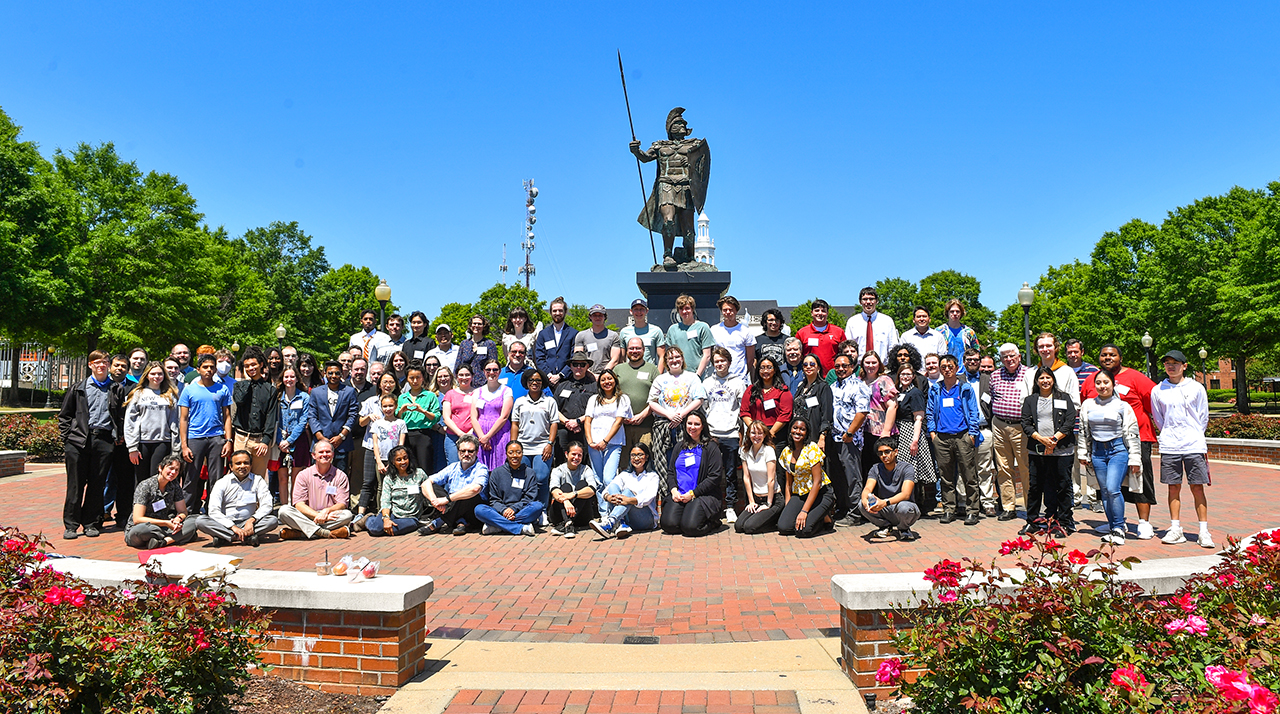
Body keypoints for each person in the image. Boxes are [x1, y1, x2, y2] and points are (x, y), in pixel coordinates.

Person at [1079, 344, 1158, 539]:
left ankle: (1143, 523)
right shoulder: (1092, 380)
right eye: (1104, 355)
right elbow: (1085, 410)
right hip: (1100, 443)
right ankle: (1114, 522)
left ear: (1120, 358)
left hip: (1136, 437)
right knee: (1107, 487)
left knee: (1139, 482)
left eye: (1112, 355)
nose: (1107, 358)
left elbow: (1153, 401)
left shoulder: (1135, 377)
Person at [59, 350, 128, 539]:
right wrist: (67, 438)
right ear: (90, 365)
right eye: (96, 362)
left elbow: (120, 416)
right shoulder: (78, 388)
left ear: (108, 365)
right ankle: (71, 525)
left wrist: (117, 436)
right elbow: (65, 415)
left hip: (104, 441)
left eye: (104, 362)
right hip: (79, 441)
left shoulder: (116, 389)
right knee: (75, 484)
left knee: (97, 484)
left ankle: (91, 523)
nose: (101, 365)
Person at [1151, 350, 1213, 548]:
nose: (1171, 366)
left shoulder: (1196, 388)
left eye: (1175, 363)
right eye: (1167, 363)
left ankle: (1203, 531)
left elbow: (1203, 416)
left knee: (1197, 486)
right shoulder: (1158, 390)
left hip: (1193, 444)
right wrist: (1169, 434)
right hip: (1170, 445)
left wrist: (1194, 434)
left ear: (1184, 366)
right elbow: (1159, 418)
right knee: (1173, 486)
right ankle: (1175, 528)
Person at [1077, 370, 1141, 545]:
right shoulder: (1088, 405)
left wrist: (1135, 457)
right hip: (1097, 452)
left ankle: (1119, 528)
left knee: (1113, 489)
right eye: (1098, 383)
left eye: (1106, 382)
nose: (1102, 386)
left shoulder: (1123, 406)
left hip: (1117, 450)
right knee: (1104, 491)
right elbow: (1083, 431)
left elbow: (1133, 433)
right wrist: (1083, 453)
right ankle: (1113, 527)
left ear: (1113, 384)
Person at [1019, 367, 1077, 536]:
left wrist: (1053, 440)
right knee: (1036, 486)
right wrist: (1042, 440)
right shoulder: (1031, 400)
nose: (1045, 381)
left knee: (1062, 485)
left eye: (1048, 378)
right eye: (1041, 378)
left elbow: (1069, 420)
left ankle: (1065, 522)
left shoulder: (1064, 397)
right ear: (1036, 381)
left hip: (1062, 450)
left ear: (1053, 379)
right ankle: (1033, 521)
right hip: (1037, 449)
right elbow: (1025, 423)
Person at [927, 355, 982, 526]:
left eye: (950, 366)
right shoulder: (935, 389)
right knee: (946, 477)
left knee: (969, 475)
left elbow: (974, 412)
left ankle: (972, 511)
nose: (947, 369)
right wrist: (932, 433)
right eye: (943, 366)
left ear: (957, 367)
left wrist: (972, 434)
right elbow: (930, 412)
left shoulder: (965, 388)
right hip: (941, 438)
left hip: (963, 436)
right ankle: (949, 509)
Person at [177, 354, 233, 514]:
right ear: (198, 369)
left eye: (211, 367)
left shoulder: (222, 389)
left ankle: (213, 510)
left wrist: (228, 440)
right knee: (191, 477)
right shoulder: (189, 390)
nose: (209, 370)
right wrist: (184, 445)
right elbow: (183, 418)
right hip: (195, 438)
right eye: (205, 367)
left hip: (216, 438)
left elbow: (227, 416)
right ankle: (185, 511)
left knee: (216, 478)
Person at [123, 362, 180, 514]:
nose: (156, 376)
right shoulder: (138, 394)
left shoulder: (170, 395)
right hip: (142, 444)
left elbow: (175, 423)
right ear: (147, 375)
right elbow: (130, 422)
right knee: (141, 481)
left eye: (160, 374)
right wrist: (132, 447)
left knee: (159, 480)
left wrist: (175, 448)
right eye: (153, 373)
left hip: (162, 442)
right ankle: (138, 513)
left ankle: (157, 512)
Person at [194, 450, 279, 547]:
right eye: (238, 463)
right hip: (225, 524)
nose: (242, 466)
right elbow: (213, 510)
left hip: (249, 523)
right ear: (231, 466)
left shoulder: (258, 480)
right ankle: (246, 537)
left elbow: (267, 504)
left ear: (251, 465)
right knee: (200, 521)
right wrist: (232, 527)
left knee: (272, 520)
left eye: (246, 463)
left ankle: (225, 537)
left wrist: (252, 520)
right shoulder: (222, 482)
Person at [646, 346, 706, 479]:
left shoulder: (692, 377)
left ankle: (687, 489)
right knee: (665, 461)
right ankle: (668, 492)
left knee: (686, 460)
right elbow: (652, 402)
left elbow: (699, 399)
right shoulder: (660, 379)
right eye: (670, 358)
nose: (674, 360)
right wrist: (669, 415)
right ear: (666, 361)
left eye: (677, 357)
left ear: (682, 358)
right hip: (664, 426)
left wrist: (681, 415)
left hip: (686, 426)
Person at [660, 411, 724, 537]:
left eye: (696, 424)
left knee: (691, 528)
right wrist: (673, 491)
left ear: (703, 426)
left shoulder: (711, 447)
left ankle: (713, 522)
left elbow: (714, 477)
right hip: (680, 494)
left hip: (702, 496)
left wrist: (693, 494)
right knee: (668, 525)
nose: (692, 427)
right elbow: (671, 472)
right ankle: (686, 516)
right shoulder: (679, 446)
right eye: (689, 423)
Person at [703, 347, 747, 521]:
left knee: (730, 473)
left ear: (729, 362)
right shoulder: (706, 383)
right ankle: (712, 506)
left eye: (723, 361)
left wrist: (742, 433)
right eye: (717, 361)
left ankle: (730, 507)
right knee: (711, 472)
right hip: (712, 433)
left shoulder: (738, 382)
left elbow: (742, 409)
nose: (720, 364)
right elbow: (704, 407)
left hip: (731, 434)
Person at [279, 440, 353, 540]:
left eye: (328, 452)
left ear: (333, 455)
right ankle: (323, 533)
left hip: (329, 516)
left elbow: (342, 504)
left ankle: (303, 532)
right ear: (314, 455)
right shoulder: (303, 475)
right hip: (307, 515)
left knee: (347, 515)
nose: (325, 455)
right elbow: (299, 504)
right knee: (283, 511)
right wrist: (317, 515)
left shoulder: (340, 476)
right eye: (321, 452)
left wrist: (326, 512)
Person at [989, 343, 1030, 521]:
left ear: (1019, 356)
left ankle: (1031, 507)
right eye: (1005, 356)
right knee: (1003, 467)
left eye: (1012, 355)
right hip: (999, 425)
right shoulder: (995, 375)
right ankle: (1008, 506)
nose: (1009, 359)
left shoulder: (1029, 373)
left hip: (1021, 426)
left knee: (1025, 467)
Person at [583, 369, 632, 514]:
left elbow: (618, 422)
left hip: (613, 443)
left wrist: (605, 440)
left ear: (615, 380)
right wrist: (590, 441)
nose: (607, 382)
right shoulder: (593, 399)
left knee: (609, 478)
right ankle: (603, 513)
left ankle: (613, 512)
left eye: (609, 379)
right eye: (603, 379)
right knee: (598, 480)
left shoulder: (623, 399)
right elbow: (587, 421)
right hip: (594, 444)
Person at [829, 353, 870, 525]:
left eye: (844, 365)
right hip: (834, 438)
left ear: (852, 367)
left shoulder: (858, 386)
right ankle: (843, 509)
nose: (840, 369)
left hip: (849, 439)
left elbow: (862, 412)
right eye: (837, 366)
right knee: (838, 476)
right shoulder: (832, 386)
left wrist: (850, 433)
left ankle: (855, 514)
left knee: (853, 477)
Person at [124, 454, 199, 549]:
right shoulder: (145, 486)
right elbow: (137, 519)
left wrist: (178, 519)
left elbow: (183, 511)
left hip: (166, 527)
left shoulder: (175, 485)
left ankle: (163, 541)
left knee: (194, 520)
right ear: (160, 468)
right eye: (170, 468)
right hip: (144, 528)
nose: (173, 472)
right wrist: (166, 523)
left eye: (176, 470)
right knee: (144, 529)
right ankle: (180, 536)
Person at [510, 369, 559, 515]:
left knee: (541, 478)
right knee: (521, 479)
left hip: (542, 446)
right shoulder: (520, 402)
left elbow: (554, 424)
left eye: (538, 380)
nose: (534, 383)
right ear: (526, 382)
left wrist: (550, 444)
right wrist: (514, 444)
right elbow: (515, 424)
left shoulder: (549, 401)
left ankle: (542, 510)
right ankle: (524, 509)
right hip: (523, 446)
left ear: (542, 383)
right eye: (531, 380)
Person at [777, 417, 835, 538]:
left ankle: (826, 519)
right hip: (800, 494)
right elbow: (788, 483)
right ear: (790, 430)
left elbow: (817, 482)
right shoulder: (786, 452)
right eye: (795, 428)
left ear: (807, 432)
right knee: (784, 527)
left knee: (803, 531)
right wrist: (788, 508)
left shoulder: (811, 449)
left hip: (820, 493)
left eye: (802, 429)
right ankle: (816, 514)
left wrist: (804, 511)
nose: (798, 432)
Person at [420, 434, 488, 536]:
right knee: (433, 487)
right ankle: (460, 522)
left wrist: (447, 499)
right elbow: (425, 483)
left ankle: (438, 522)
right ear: (458, 452)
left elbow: (475, 489)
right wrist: (434, 500)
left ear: (477, 452)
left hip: (472, 511)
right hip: (453, 506)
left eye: (470, 451)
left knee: (466, 494)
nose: (466, 454)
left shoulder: (481, 468)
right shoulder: (453, 467)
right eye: (462, 451)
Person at [355, 394, 406, 529]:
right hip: (381, 459)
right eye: (385, 406)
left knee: (396, 485)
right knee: (380, 487)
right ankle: (381, 511)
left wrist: (394, 461)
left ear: (396, 406)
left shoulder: (400, 423)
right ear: (381, 407)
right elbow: (375, 445)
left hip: (395, 460)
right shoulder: (377, 424)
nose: (388, 409)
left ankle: (395, 511)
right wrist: (379, 462)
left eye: (391, 406)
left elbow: (400, 445)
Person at [894, 362, 938, 515]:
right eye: (902, 374)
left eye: (908, 374)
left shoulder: (916, 393)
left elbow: (918, 418)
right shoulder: (899, 392)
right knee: (904, 469)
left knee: (913, 469)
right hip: (899, 431)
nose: (905, 377)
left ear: (913, 377)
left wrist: (915, 440)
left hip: (910, 431)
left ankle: (917, 504)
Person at [590, 443, 660, 538]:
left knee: (627, 492)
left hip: (645, 519)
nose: (636, 458)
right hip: (629, 518)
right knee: (613, 486)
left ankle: (611, 523)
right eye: (633, 455)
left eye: (640, 455)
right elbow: (607, 489)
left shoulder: (652, 476)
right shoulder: (625, 474)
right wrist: (609, 497)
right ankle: (621, 523)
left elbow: (648, 497)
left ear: (646, 457)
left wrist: (629, 500)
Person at [859, 436, 921, 541]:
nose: (884, 456)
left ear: (895, 452)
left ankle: (904, 529)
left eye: (887, 452)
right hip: (885, 507)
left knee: (904, 507)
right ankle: (885, 526)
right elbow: (867, 488)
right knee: (861, 504)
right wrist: (865, 501)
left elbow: (906, 494)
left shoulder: (907, 468)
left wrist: (885, 502)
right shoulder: (875, 468)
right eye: (880, 453)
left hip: (902, 506)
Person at [1064, 338, 1101, 511]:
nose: (1073, 354)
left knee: (1091, 462)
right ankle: (1076, 497)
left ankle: (1094, 498)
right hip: (1068, 426)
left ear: (1082, 352)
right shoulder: (1062, 371)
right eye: (1070, 352)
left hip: (1088, 426)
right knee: (1072, 465)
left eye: (1076, 351)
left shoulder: (1093, 372)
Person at [960, 351, 998, 517]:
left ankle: (987, 502)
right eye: (969, 360)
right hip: (963, 432)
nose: (973, 362)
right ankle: (963, 502)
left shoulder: (988, 380)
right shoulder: (957, 380)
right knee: (963, 469)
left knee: (985, 469)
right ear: (964, 361)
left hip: (984, 430)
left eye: (976, 360)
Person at [475, 442, 542, 536]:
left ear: (522, 453)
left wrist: (514, 509)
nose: (515, 455)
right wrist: (504, 510)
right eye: (511, 452)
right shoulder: (496, 473)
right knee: (479, 509)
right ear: (506, 454)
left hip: (521, 510)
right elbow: (494, 499)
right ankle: (520, 527)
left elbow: (530, 497)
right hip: (500, 511)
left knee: (537, 506)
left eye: (518, 452)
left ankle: (498, 525)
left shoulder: (530, 473)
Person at [230, 347, 278, 479]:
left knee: (258, 478)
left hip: (259, 440)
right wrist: (247, 381)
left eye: (253, 365)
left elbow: (271, 416)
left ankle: (255, 501)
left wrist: (265, 441)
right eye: (246, 366)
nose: (250, 368)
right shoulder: (239, 386)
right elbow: (239, 401)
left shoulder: (270, 389)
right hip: (241, 438)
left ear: (261, 364)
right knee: (239, 476)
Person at [306, 360, 360, 474]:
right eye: (330, 373)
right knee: (318, 476)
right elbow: (312, 415)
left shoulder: (349, 392)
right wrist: (320, 437)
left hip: (341, 444)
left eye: (337, 373)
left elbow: (353, 415)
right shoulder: (316, 392)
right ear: (325, 373)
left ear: (341, 374)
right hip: (320, 444)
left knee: (340, 477)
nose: (333, 376)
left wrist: (341, 436)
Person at [366, 445, 432, 537]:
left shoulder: (419, 474)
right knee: (376, 529)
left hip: (411, 517)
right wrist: (386, 519)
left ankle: (380, 523)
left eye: (405, 458)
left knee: (392, 528)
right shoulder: (389, 479)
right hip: (393, 513)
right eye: (399, 459)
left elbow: (430, 491)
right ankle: (368, 519)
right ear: (393, 462)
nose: (403, 462)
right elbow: (385, 501)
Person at [734, 420, 782, 534]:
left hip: (773, 499)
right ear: (748, 434)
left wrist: (768, 504)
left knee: (750, 527)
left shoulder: (768, 451)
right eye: (753, 433)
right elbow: (746, 477)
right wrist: (751, 501)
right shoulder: (745, 451)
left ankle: (774, 520)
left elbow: (771, 480)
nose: (756, 436)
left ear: (765, 434)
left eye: (760, 433)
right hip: (757, 499)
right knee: (739, 526)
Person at [860, 350, 899, 483]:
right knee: (867, 468)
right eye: (867, 362)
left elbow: (892, 406)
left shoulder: (884, 380)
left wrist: (886, 432)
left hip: (881, 431)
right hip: (863, 432)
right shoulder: (859, 381)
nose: (870, 365)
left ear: (879, 364)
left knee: (884, 467)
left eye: (874, 362)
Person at [553, 350, 598, 463]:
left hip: (585, 429)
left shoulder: (594, 387)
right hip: (564, 429)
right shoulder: (562, 386)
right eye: (575, 364)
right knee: (561, 460)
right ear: (570, 366)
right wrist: (568, 422)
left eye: (582, 364)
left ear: (587, 366)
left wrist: (578, 421)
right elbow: (554, 408)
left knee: (585, 461)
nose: (579, 367)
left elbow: (597, 409)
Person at [548, 441, 599, 538]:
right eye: (573, 454)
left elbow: (592, 489)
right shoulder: (558, 470)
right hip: (559, 514)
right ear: (566, 454)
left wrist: (574, 494)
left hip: (582, 516)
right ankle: (568, 522)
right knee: (565, 487)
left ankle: (567, 524)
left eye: (579, 455)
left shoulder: (586, 469)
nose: (576, 458)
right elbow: (554, 490)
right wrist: (566, 500)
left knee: (583, 485)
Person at [275, 366, 311, 505]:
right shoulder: (277, 397)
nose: (289, 379)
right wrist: (280, 441)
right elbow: (274, 420)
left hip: (298, 439)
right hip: (280, 441)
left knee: (296, 478)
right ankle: (285, 508)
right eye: (286, 377)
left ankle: (296, 508)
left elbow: (303, 421)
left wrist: (290, 440)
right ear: (282, 379)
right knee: (283, 478)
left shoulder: (304, 397)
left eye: (292, 377)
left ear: (297, 379)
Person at [397, 364, 442, 474]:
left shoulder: (430, 396)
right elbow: (397, 418)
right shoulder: (402, 397)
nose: (415, 381)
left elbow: (436, 417)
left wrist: (423, 411)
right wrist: (402, 410)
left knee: (424, 466)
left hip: (424, 434)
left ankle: (425, 490)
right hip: (406, 435)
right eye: (411, 378)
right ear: (407, 379)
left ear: (423, 378)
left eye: (418, 377)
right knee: (408, 466)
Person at [615, 337, 658, 451]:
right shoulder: (618, 369)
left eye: (638, 348)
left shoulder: (652, 369)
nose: (634, 351)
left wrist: (643, 415)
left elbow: (658, 397)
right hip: (621, 426)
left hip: (645, 425)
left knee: (644, 459)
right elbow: (610, 395)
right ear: (626, 350)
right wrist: (621, 416)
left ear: (644, 350)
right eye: (631, 348)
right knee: (623, 463)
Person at [471, 359, 514, 471]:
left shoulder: (506, 391)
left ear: (499, 372)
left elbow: (504, 416)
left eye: (495, 370)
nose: (491, 372)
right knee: (480, 468)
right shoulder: (477, 392)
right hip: (480, 434)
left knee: (499, 467)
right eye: (488, 370)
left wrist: (488, 436)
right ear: (484, 371)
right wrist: (482, 438)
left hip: (499, 433)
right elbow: (473, 417)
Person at [741, 356, 793, 444]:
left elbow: (785, 414)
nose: (765, 371)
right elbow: (744, 411)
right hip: (755, 435)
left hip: (776, 435)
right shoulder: (751, 389)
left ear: (775, 369)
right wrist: (755, 430)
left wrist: (771, 432)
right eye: (762, 368)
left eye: (769, 367)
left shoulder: (782, 390)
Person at [665, 294, 715, 378]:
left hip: (696, 376)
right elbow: (669, 356)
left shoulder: (702, 327)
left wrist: (697, 375)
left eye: (687, 308)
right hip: (676, 376)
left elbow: (707, 355)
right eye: (681, 309)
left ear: (692, 309)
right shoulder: (672, 329)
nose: (684, 311)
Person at [533, 296, 578, 389]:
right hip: (547, 382)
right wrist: (549, 375)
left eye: (560, 310)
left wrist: (560, 375)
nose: (557, 313)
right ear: (550, 312)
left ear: (565, 312)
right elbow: (540, 358)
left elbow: (574, 358)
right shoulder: (543, 334)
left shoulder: (574, 333)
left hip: (567, 381)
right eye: (554, 311)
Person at [791, 354, 833, 452]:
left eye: (812, 364)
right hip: (798, 434)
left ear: (818, 367)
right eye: (805, 364)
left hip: (814, 433)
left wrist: (822, 436)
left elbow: (826, 414)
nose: (808, 367)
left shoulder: (823, 387)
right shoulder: (801, 386)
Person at [847, 287, 899, 363]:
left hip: (883, 367)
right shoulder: (852, 322)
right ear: (860, 302)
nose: (868, 302)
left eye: (871, 299)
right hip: (859, 367)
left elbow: (893, 346)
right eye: (865, 299)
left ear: (877, 301)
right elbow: (848, 348)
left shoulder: (887, 321)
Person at [795, 299, 845, 374]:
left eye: (823, 311)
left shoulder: (838, 332)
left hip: (833, 375)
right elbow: (798, 355)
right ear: (812, 313)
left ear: (827, 313)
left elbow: (844, 354)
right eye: (817, 310)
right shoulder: (802, 333)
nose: (820, 313)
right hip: (810, 375)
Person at [711, 296, 755, 380]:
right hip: (719, 378)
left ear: (736, 311)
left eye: (731, 309)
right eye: (725, 310)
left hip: (740, 378)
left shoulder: (746, 331)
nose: (728, 312)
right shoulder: (713, 330)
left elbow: (750, 359)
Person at [439, 364, 475, 466]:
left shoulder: (477, 393)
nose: (464, 378)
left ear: (472, 376)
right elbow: (446, 418)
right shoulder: (450, 394)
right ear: (456, 376)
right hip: (453, 437)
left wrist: (469, 433)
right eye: (461, 375)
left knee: (471, 467)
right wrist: (461, 434)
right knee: (454, 466)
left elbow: (480, 416)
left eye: (467, 375)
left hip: (473, 436)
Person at [619, 299, 667, 371]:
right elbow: (622, 358)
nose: (639, 312)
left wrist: (657, 376)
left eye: (642, 309)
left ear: (647, 311)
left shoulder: (656, 331)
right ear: (631, 311)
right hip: (630, 373)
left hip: (649, 373)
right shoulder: (624, 332)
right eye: (636, 309)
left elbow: (662, 356)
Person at [574, 304, 622, 375]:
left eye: (600, 315)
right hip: (586, 375)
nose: (597, 318)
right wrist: (590, 374)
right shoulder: (581, 335)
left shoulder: (613, 336)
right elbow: (578, 357)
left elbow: (615, 359)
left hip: (606, 376)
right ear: (590, 317)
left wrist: (603, 374)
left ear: (605, 317)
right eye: (594, 315)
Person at [457, 315, 499, 388]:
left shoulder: (489, 344)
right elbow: (457, 365)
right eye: (474, 323)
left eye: (479, 324)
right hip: (466, 384)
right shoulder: (464, 344)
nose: (476, 326)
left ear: (484, 326)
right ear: (470, 326)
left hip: (484, 385)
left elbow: (494, 365)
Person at [939, 300, 981, 366]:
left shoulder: (969, 332)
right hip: (946, 370)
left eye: (957, 311)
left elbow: (976, 352)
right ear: (947, 313)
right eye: (952, 311)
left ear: (961, 313)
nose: (955, 314)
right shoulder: (940, 331)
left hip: (965, 371)